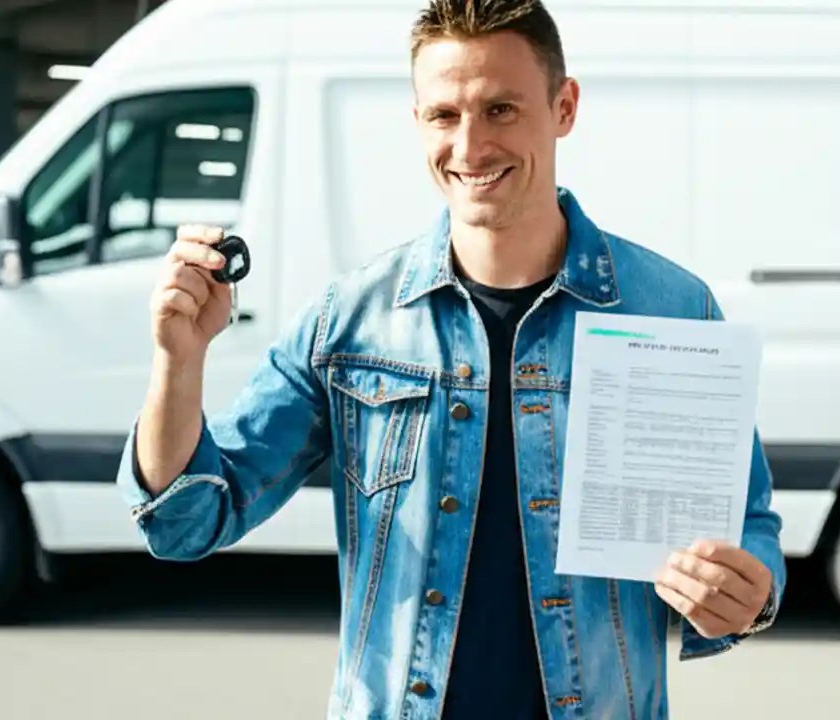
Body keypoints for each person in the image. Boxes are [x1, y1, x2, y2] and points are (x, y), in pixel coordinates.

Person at [116, 0, 785, 717]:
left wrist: (748, 594)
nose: (469, 147)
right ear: (416, 122)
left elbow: (744, 524)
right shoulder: (350, 323)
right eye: (444, 115)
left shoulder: (671, 309)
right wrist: (177, 364)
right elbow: (186, 524)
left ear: (565, 107)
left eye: (501, 110)